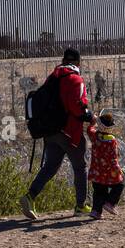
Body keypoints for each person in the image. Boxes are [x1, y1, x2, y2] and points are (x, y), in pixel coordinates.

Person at [20, 47, 94, 220]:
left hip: (50, 131)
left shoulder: (53, 77)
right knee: (80, 167)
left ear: (63, 61)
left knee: (51, 166)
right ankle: (80, 205)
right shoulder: (75, 79)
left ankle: (29, 197)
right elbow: (77, 107)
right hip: (69, 132)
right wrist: (90, 116)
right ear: (77, 62)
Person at [86, 110, 125, 220]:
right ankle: (110, 202)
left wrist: (92, 123)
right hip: (109, 171)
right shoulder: (111, 140)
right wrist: (118, 169)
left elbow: (89, 130)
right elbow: (113, 158)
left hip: (96, 170)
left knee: (98, 190)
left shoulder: (94, 136)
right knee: (119, 185)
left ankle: (96, 211)